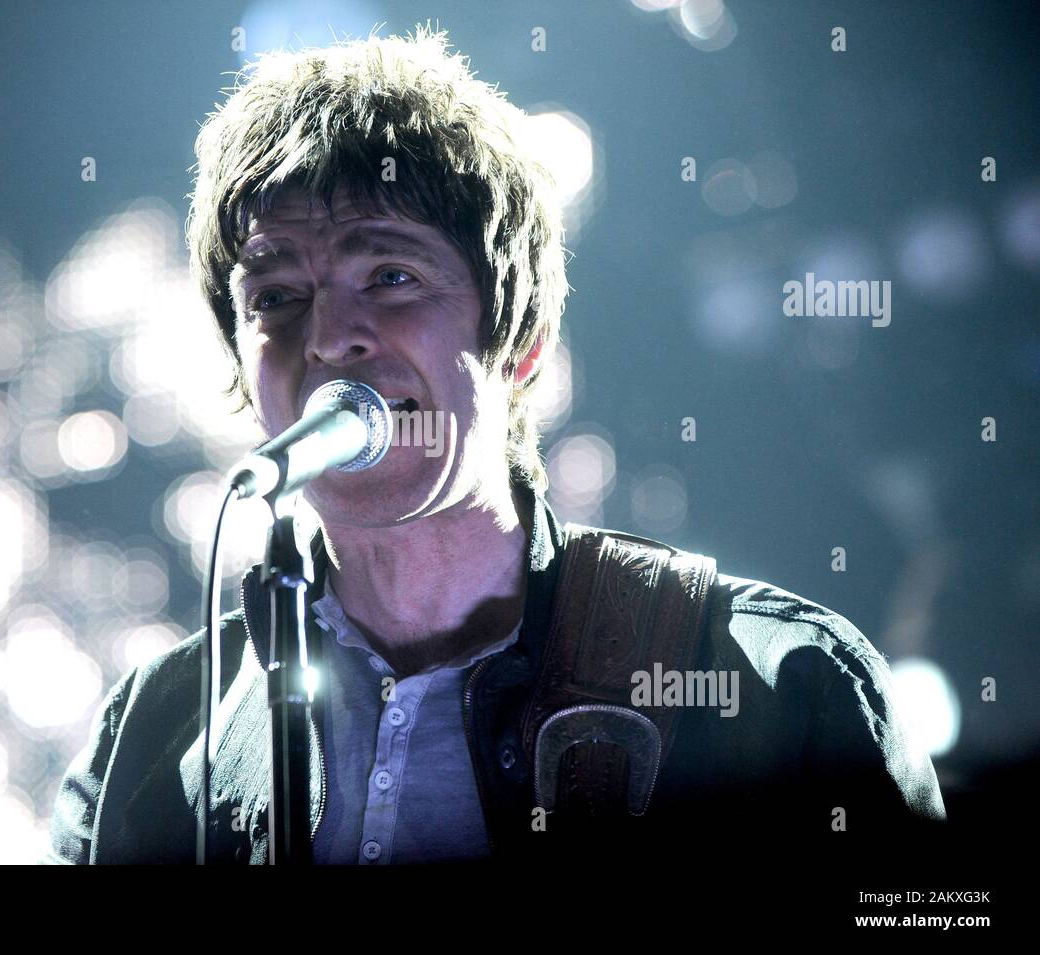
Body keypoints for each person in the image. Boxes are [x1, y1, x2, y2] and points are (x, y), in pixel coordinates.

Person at [46, 25, 945, 865]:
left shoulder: (776, 689)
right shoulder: (152, 735)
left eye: (389, 275)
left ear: (520, 345)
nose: (327, 337)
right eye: (274, 296)